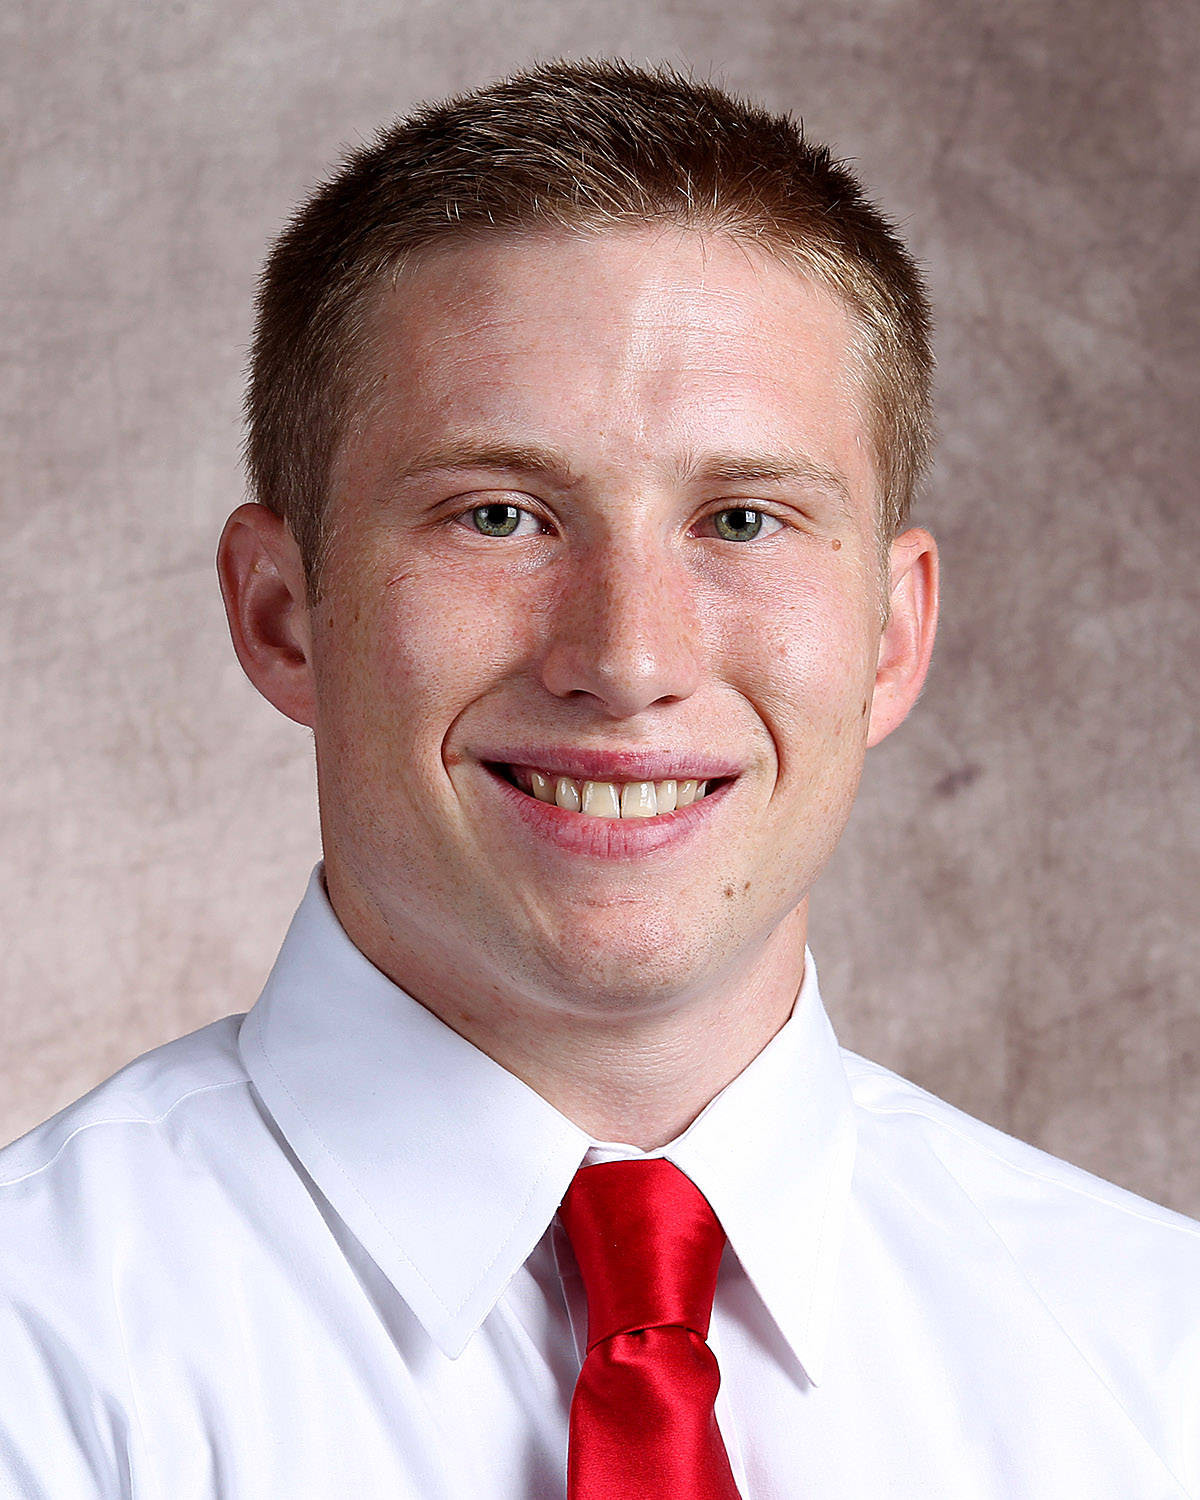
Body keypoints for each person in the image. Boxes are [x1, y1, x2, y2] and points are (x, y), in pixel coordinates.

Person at [1, 58, 1196, 1500]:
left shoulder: (1153, 1359)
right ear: (280, 613)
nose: (627, 656)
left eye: (742, 519)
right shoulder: (42, 1357)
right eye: (498, 514)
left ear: (893, 637)